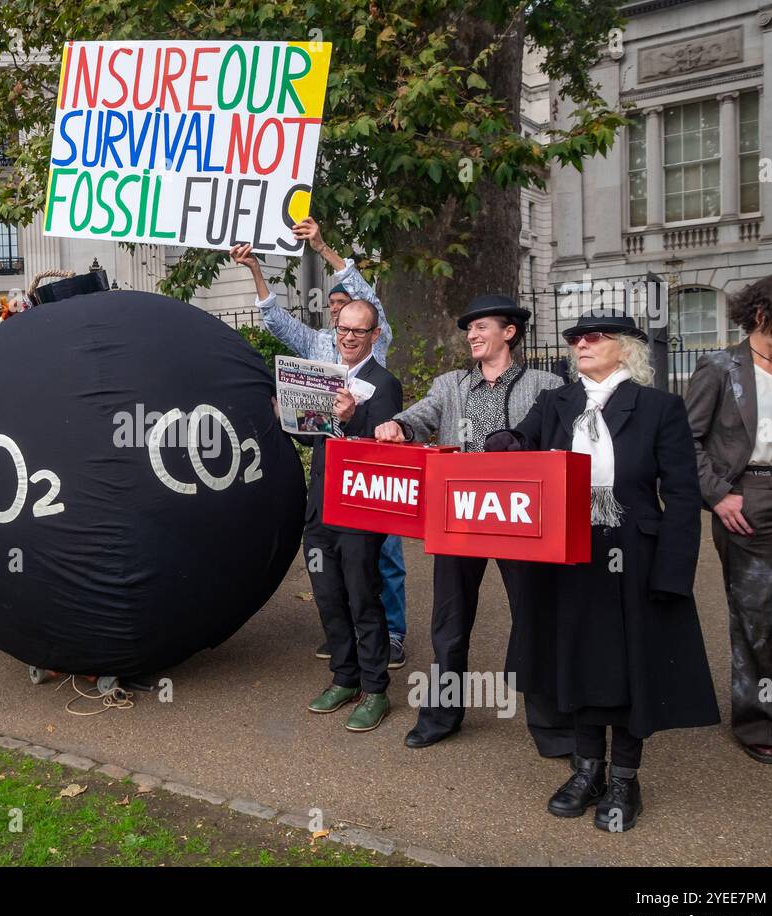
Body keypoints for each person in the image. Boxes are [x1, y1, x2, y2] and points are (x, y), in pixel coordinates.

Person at [485, 309, 720, 832]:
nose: (580, 345)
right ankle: (587, 768)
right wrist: (506, 443)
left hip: (632, 551)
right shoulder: (556, 402)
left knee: (629, 663)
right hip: (569, 551)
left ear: (626, 348)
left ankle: (625, 778)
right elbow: (524, 445)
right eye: (574, 339)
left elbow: (681, 495)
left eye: (592, 338)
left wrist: (672, 572)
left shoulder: (660, 407)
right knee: (577, 658)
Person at [375, 294, 573, 756]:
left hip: (521, 517)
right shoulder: (449, 385)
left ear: (510, 332)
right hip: (458, 514)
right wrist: (397, 426)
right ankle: (443, 715)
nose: (473, 335)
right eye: (469, 329)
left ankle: (552, 727)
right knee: (449, 620)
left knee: (534, 615)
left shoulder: (546, 383)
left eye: (482, 326)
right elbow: (418, 416)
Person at [231, 220, 408, 667]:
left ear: (366, 327)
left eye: (347, 312)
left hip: (372, 473)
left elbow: (366, 296)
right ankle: (348, 642)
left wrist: (322, 246)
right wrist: (254, 268)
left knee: (383, 557)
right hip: (332, 475)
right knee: (335, 569)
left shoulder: (376, 343)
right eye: (333, 312)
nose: (341, 323)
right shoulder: (320, 344)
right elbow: (275, 320)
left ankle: (394, 632)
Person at [684, 274, 772, 765]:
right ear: (763, 312)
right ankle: (761, 721)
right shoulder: (720, 367)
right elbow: (687, 440)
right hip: (751, 500)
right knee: (756, 621)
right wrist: (718, 495)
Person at [296, 298, 403, 731]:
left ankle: (375, 690)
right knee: (328, 597)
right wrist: (294, 416)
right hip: (321, 510)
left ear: (375, 336)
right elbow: (313, 443)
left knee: (363, 598)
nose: (348, 337)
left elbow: (383, 449)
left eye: (358, 331)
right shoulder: (324, 378)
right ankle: (344, 678)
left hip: (359, 511)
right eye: (342, 329)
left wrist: (351, 420)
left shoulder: (384, 383)